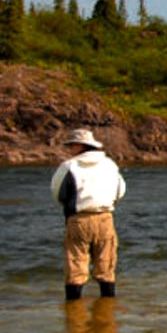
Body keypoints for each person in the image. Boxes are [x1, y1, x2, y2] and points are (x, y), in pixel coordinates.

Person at [51, 128, 127, 300]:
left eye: (71, 146)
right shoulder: (110, 164)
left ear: (79, 146)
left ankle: (74, 313)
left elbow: (58, 193)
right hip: (105, 218)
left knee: (75, 268)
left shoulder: (68, 166)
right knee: (106, 268)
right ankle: (107, 313)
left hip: (78, 220)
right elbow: (120, 191)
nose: (70, 149)